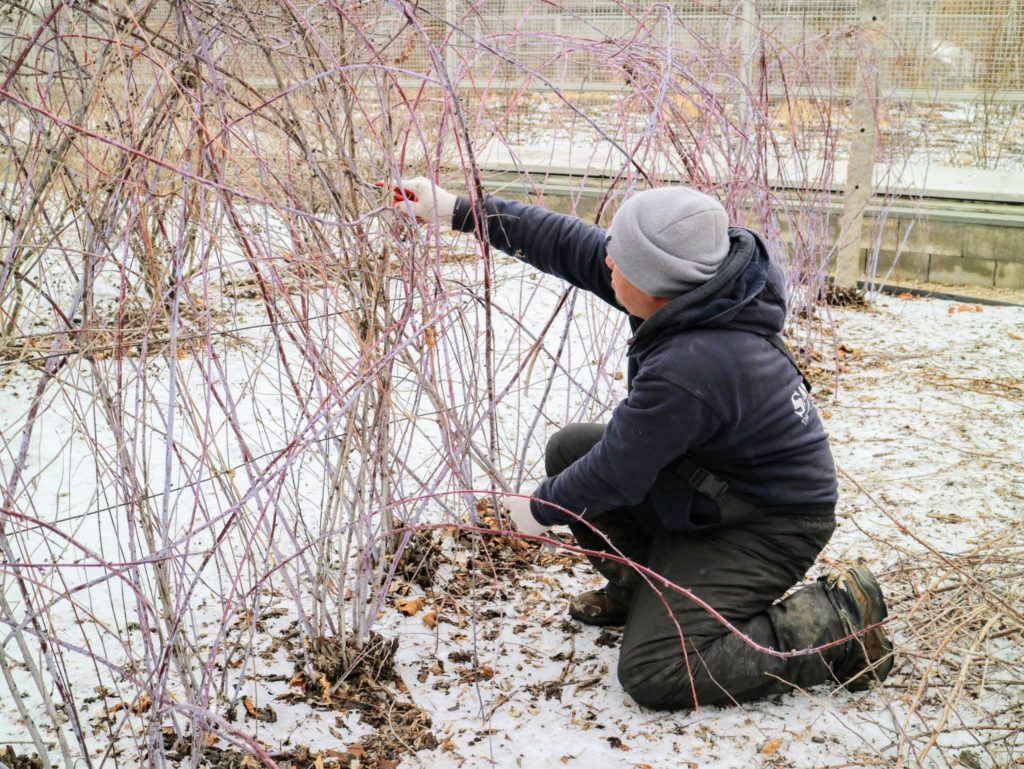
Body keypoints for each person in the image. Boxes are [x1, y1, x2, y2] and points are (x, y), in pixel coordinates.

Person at [393, 177, 894, 710]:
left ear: (658, 284)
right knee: (571, 450)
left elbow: (616, 473)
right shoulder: (699, 288)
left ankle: (840, 628)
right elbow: (567, 242)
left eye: (620, 260)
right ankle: (640, 595)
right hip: (718, 488)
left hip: (771, 524)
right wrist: (457, 211)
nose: (607, 262)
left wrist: (537, 510)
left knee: (657, 671)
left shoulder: (696, 363)